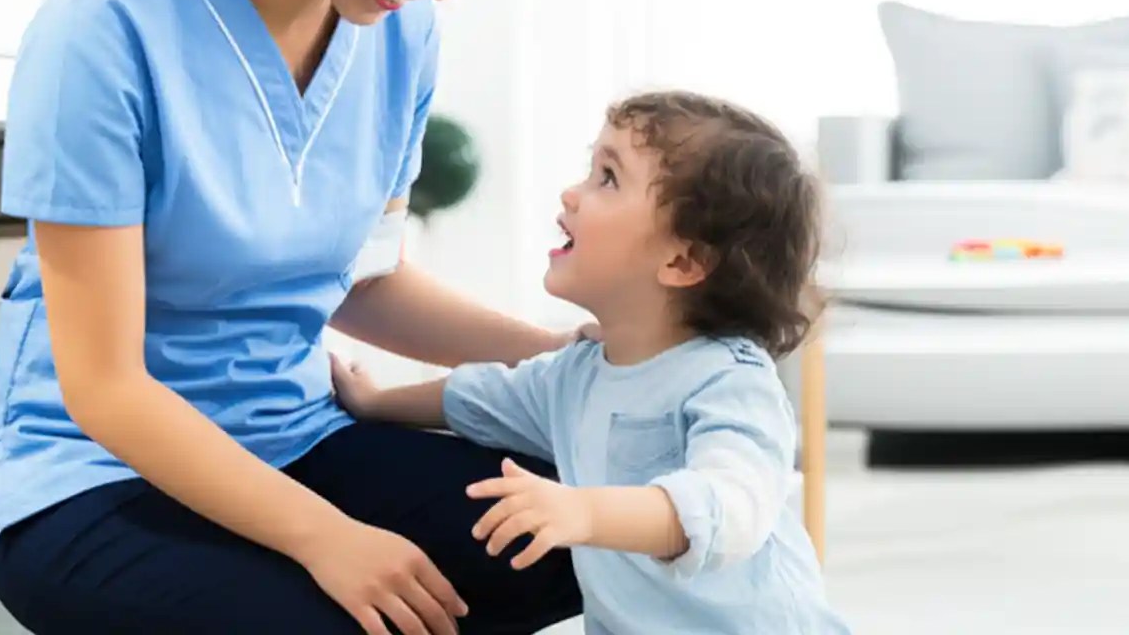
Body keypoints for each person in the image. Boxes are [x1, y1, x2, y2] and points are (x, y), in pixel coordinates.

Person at [0, 0, 586, 633]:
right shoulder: (104, 25)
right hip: (92, 472)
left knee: (589, 539)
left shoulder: (401, 31)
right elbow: (104, 390)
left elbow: (367, 282)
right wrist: (326, 538)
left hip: (297, 436)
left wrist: (573, 359)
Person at [332, 91, 854, 634]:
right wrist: (374, 403)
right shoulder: (576, 374)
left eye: (607, 178)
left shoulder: (729, 381)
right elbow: (476, 398)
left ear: (682, 260)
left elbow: (731, 505)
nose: (572, 193)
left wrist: (584, 513)